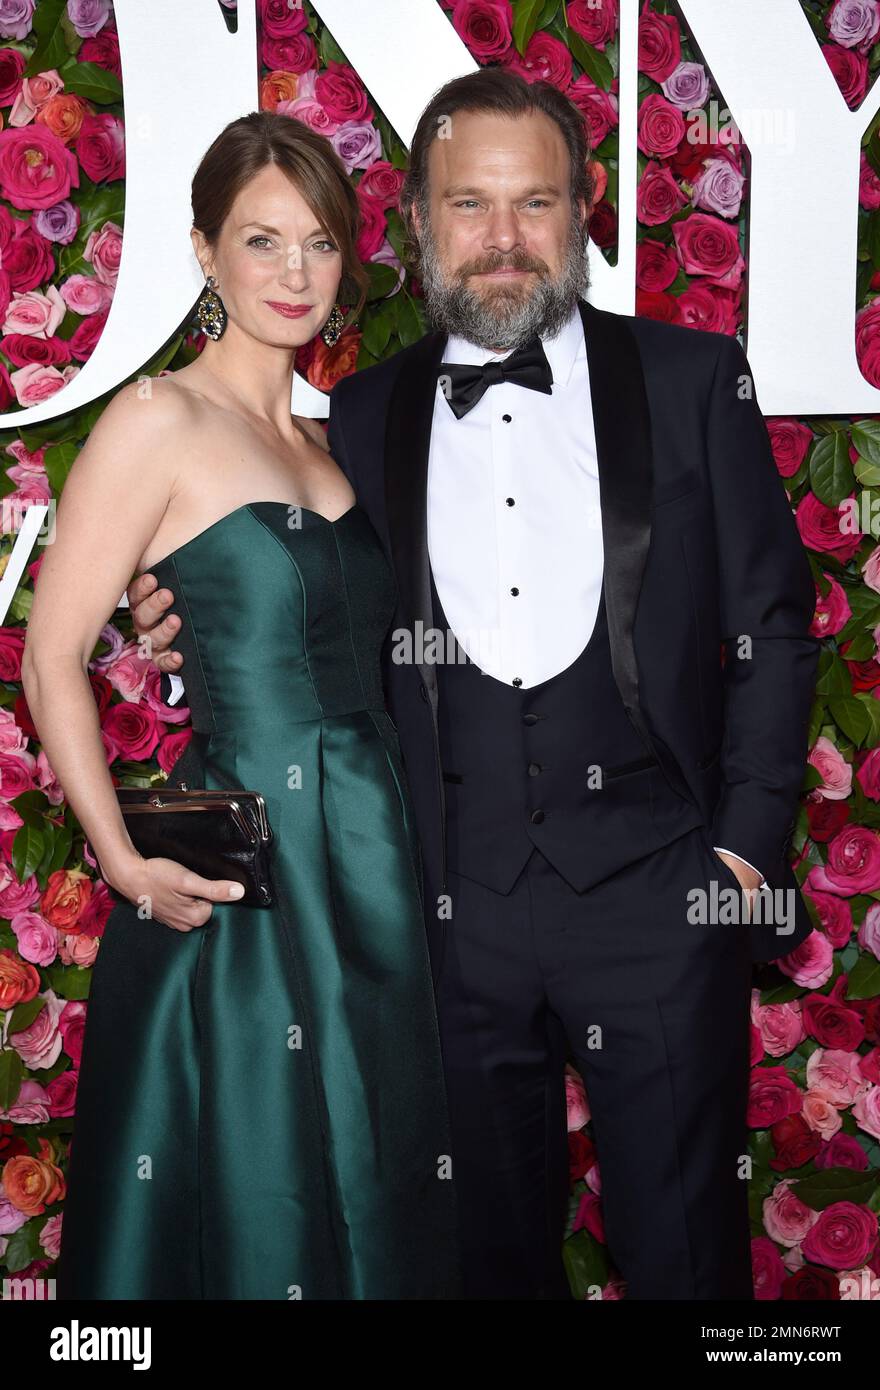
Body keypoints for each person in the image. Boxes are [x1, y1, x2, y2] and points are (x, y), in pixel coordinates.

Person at [133, 72, 820, 1300]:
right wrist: (180, 616)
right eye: (469, 204)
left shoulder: (690, 377)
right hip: (444, 916)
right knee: (476, 1266)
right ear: (418, 222)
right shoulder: (360, 413)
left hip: (659, 902)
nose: (502, 238)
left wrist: (748, 857)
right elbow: (293, 593)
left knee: (689, 1265)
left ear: (582, 212)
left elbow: (772, 622)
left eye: (534, 202)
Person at [22, 110, 461, 1301]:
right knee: (260, 1171)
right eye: (261, 241)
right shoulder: (158, 420)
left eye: (318, 243)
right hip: (246, 867)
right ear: (207, 249)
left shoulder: (338, 439)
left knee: (373, 1157)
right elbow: (50, 654)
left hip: (373, 852)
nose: (294, 273)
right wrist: (118, 860)